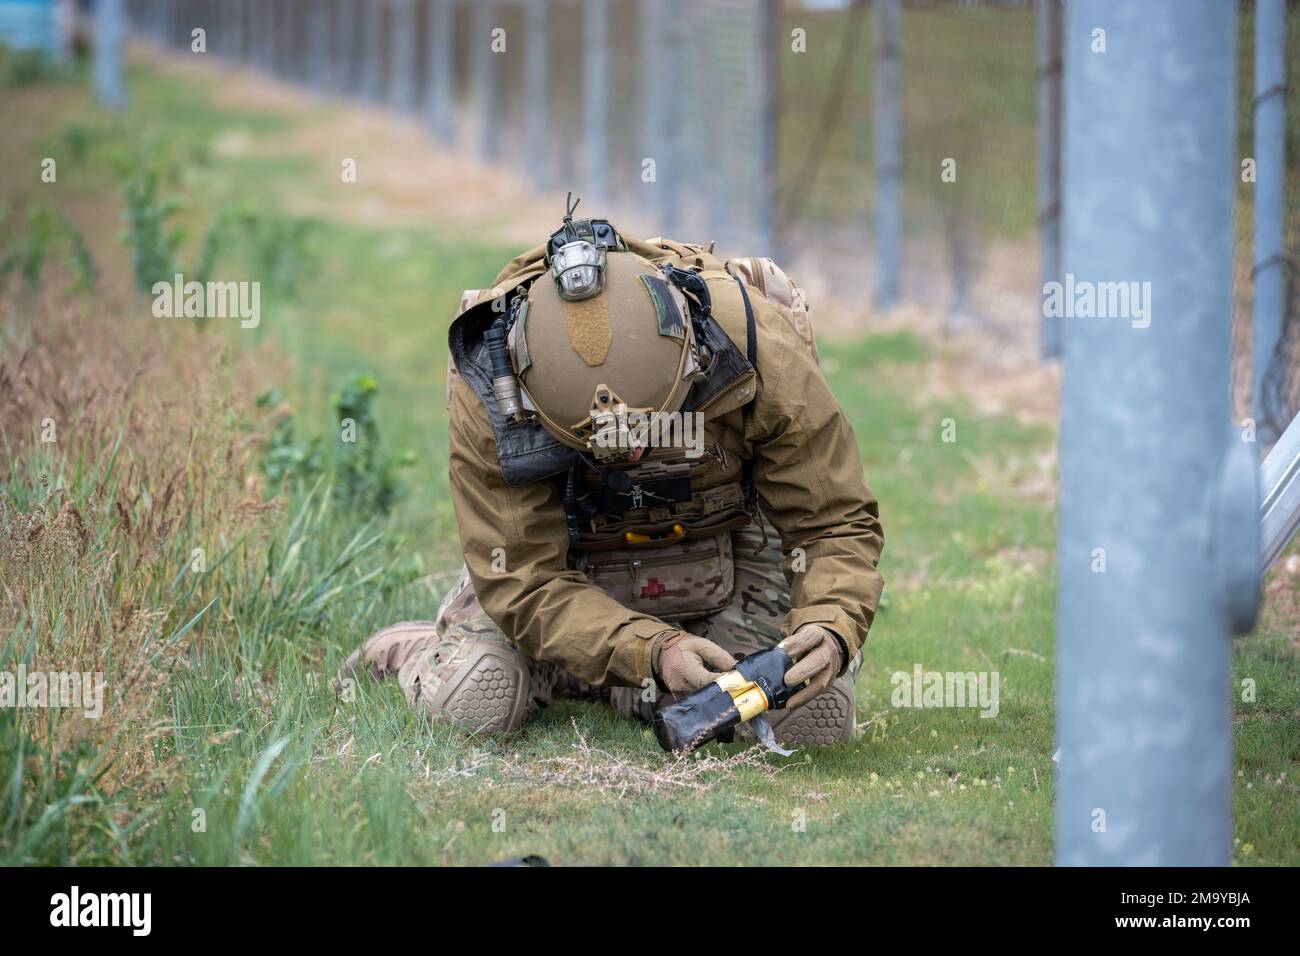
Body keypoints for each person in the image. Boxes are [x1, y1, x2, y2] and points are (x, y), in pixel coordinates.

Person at [340, 208, 884, 746]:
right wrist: (650, 649)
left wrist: (832, 619)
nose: (634, 457)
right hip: (565, 566)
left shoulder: (752, 337)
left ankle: (635, 682)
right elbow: (523, 576)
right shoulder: (492, 375)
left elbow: (832, 519)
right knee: (474, 697)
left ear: (690, 360)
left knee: (812, 715)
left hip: (725, 546)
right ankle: (418, 651)